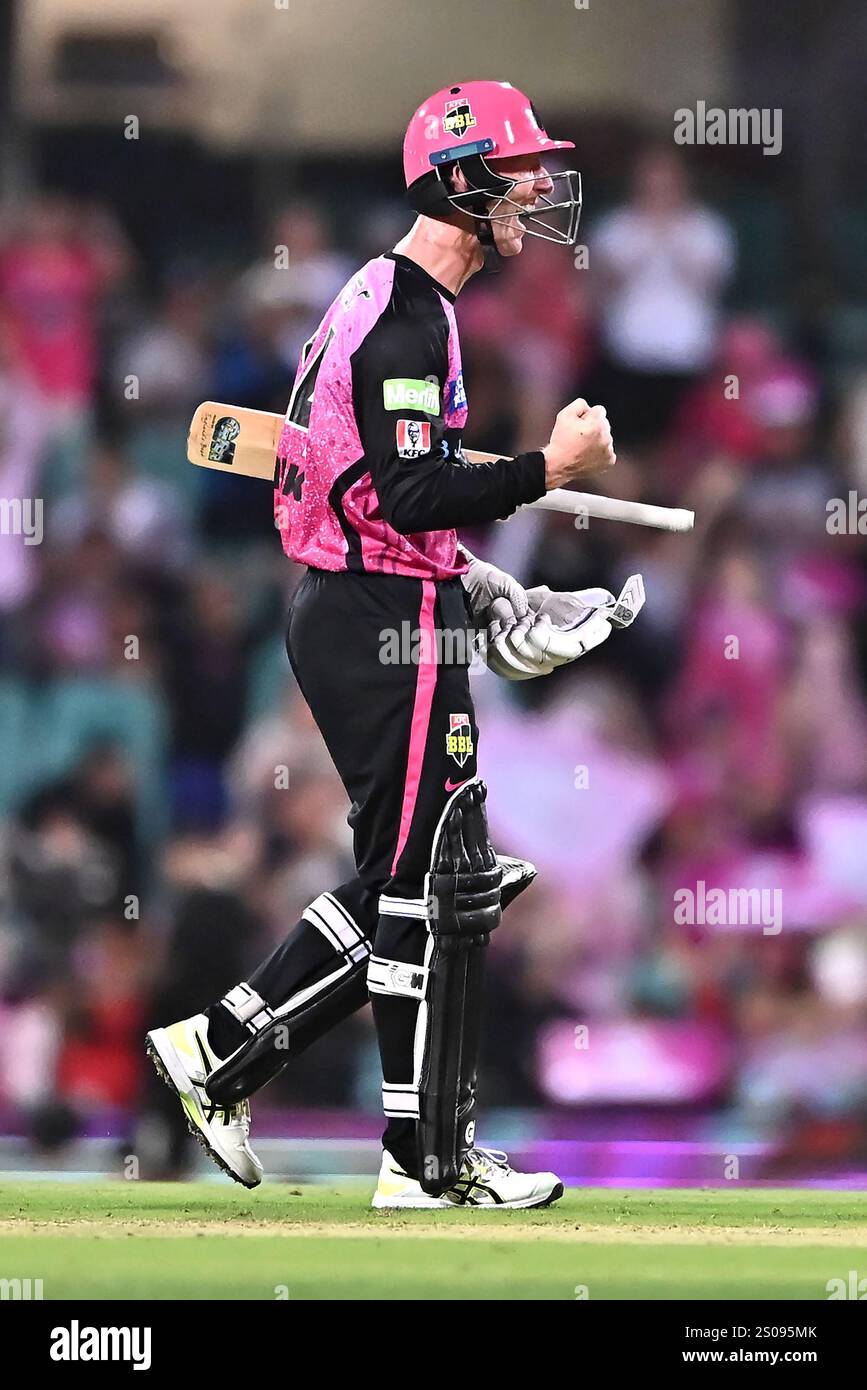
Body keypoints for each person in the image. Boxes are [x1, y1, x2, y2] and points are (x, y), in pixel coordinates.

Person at [147, 80, 631, 1209]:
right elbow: (410, 489)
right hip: (376, 619)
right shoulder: (408, 314)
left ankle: (254, 1069)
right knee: (429, 886)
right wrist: (547, 471)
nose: (540, 190)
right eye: (518, 170)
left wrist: (478, 571)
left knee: (427, 879)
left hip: (375, 599)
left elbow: (364, 484)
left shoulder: (393, 297)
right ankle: (385, 1140)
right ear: (460, 180)